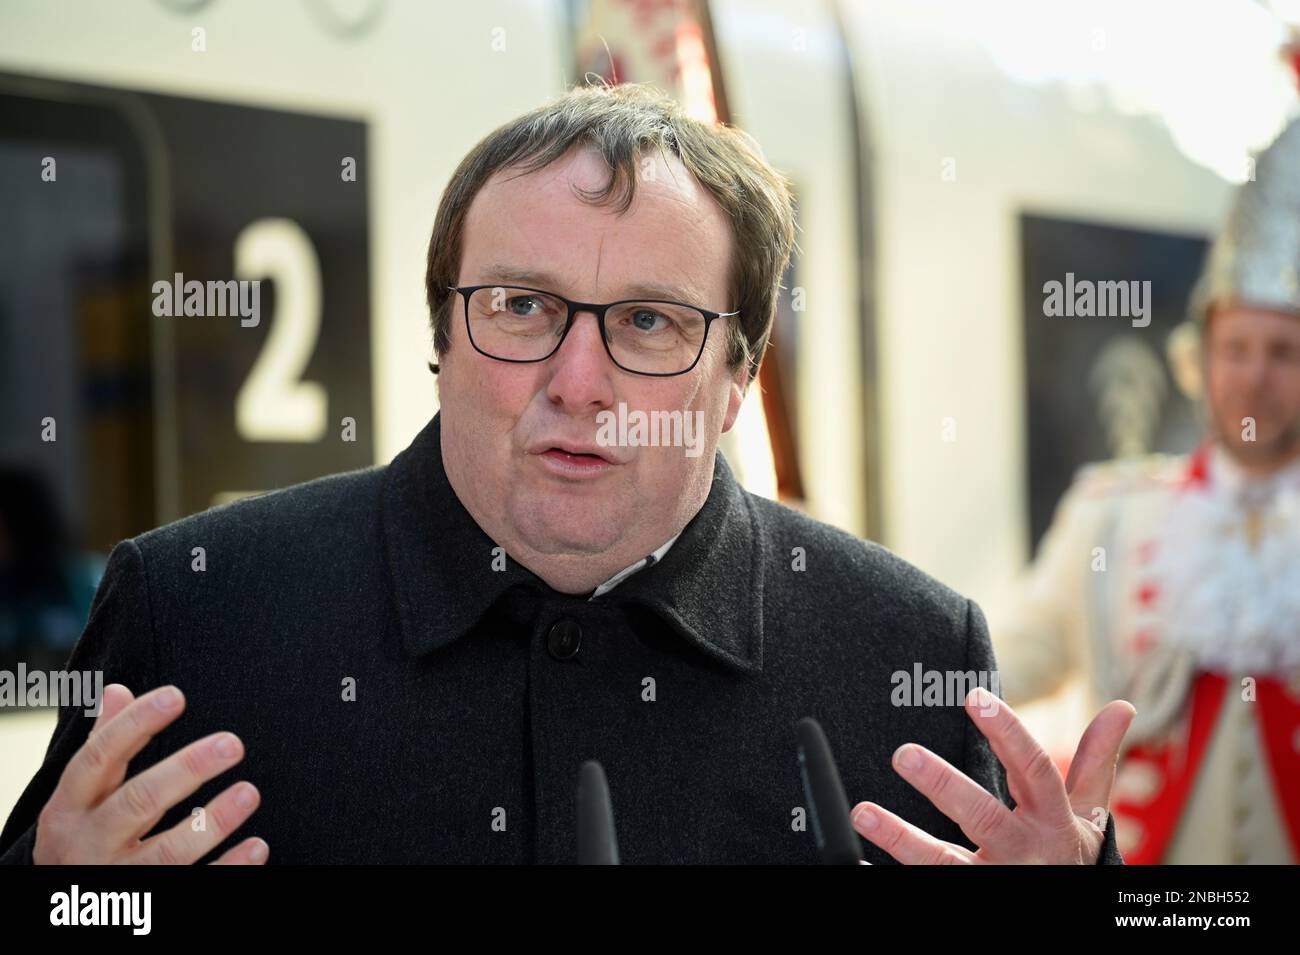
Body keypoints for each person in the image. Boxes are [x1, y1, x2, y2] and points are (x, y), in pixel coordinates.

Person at [0, 82, 1132, 865]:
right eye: (523, 307)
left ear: (736, 379)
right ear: (441, 337)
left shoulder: (907, 655)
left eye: (647, 321)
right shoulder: (199, 611)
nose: (576, 380)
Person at [991, 119, 1300, 864]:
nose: (1255, 374)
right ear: (1202, 361)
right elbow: (1003, 666)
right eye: (1236, 349)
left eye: (1283, 351)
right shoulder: (1112, 517)